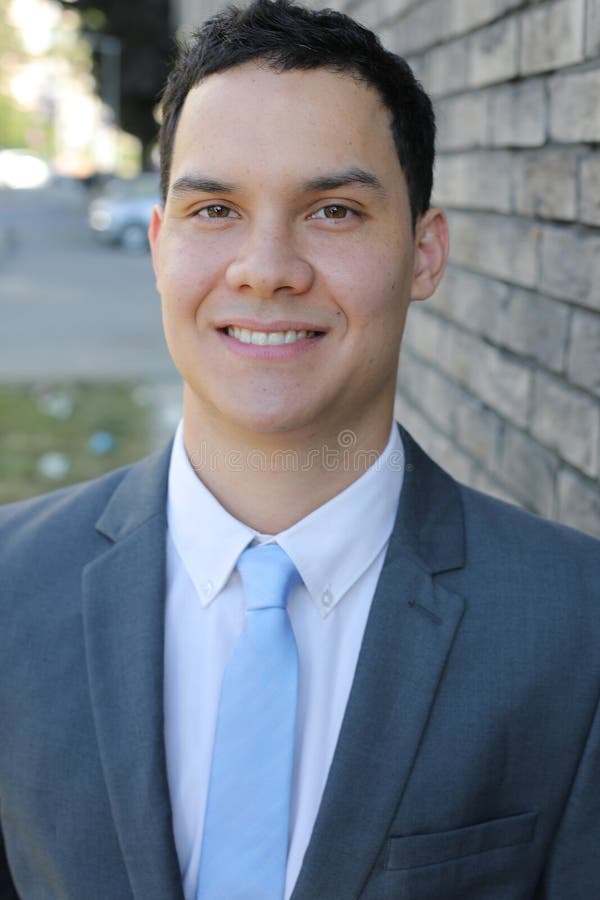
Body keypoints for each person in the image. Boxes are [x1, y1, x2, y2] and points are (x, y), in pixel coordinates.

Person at [1, 1, 598, 897]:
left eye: (333, 210)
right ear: (160, 248)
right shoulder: (7, 589)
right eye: (215, 208)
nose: (266, 266)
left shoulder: (577, 628)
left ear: (423, 253)